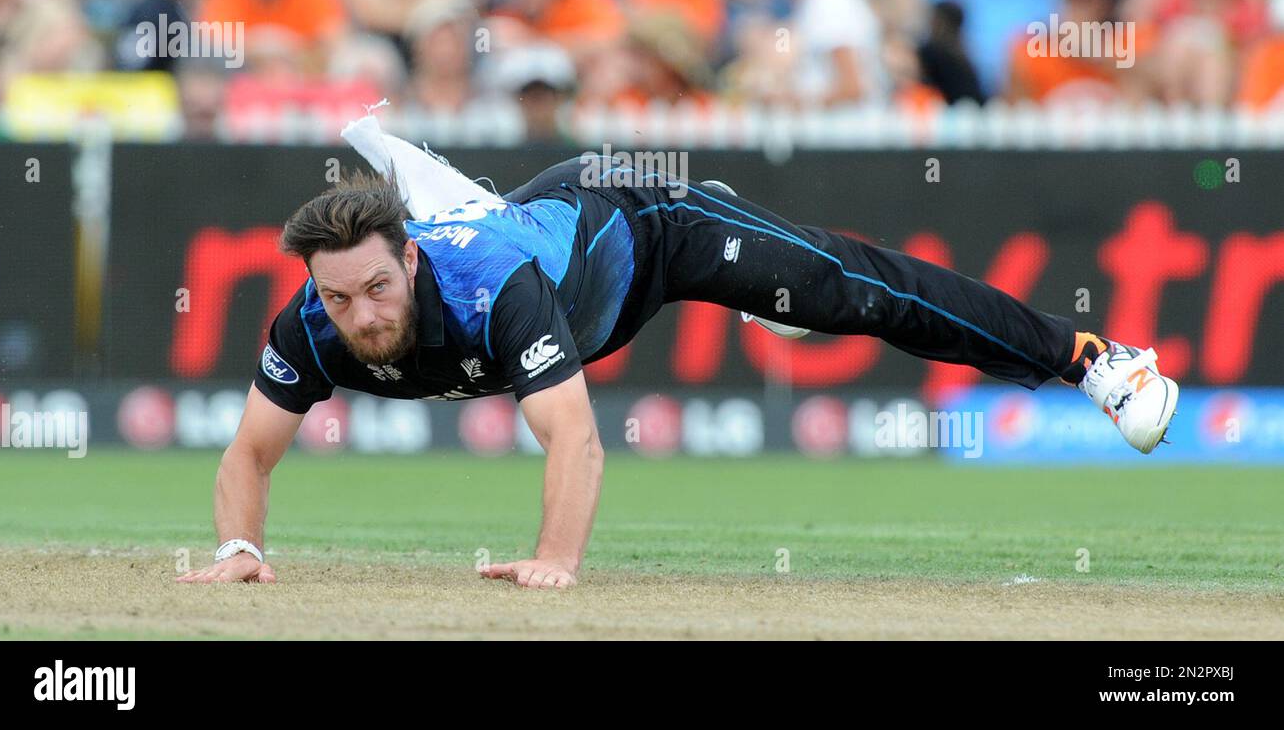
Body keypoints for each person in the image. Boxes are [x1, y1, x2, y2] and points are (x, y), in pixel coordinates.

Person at [178, 129, 1180, 590]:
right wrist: (239, 551)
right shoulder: (310, 322)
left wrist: (555, 562)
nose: (356, 314)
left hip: (646, 213)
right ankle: (779, 306)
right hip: (556, 247)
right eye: (337, 296)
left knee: (850, 291)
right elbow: (248, 455)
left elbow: (573, 436)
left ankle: (1092, 358)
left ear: (410, 256)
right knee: (809, 297)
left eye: (376, 287)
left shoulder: (495, 289)